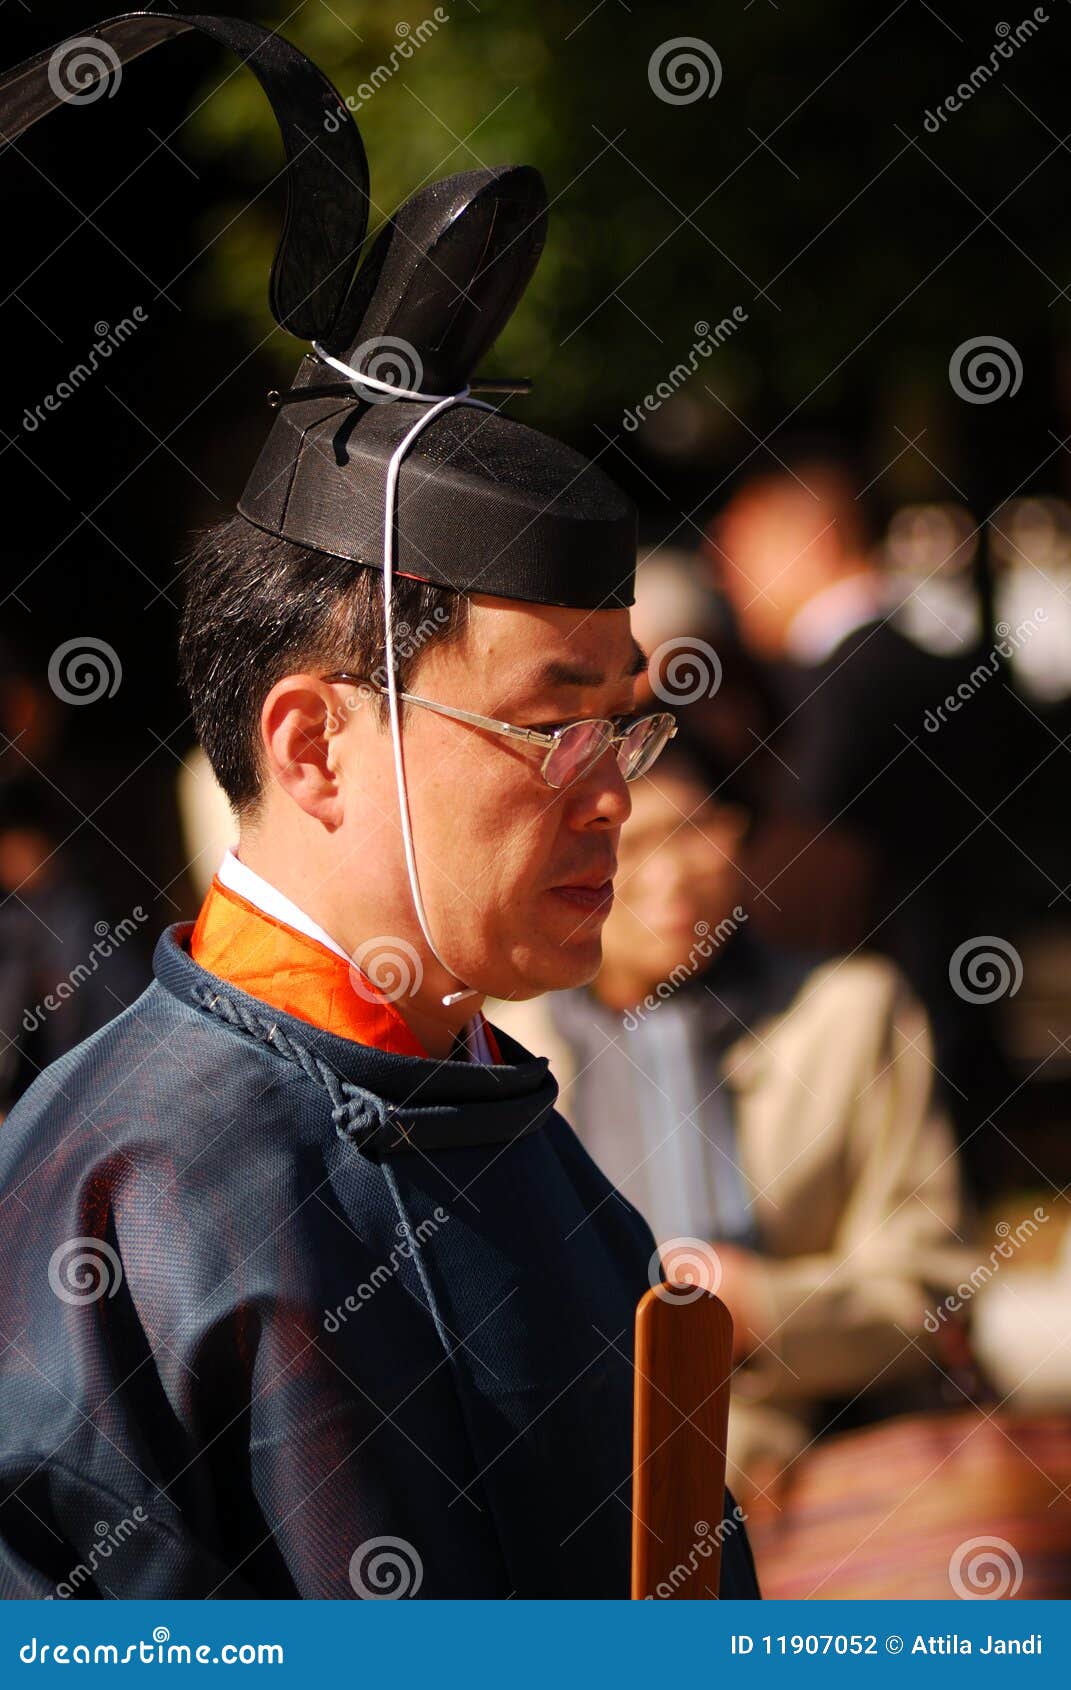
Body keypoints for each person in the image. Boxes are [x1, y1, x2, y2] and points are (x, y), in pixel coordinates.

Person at [0, 15, 758, 1600]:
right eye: (550, 722)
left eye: (624, 722)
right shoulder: (114, 1186)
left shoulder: (533, 1148)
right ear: (315, 746)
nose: (614, 794)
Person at [492, 729, 975, 1494]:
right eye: (632, 844)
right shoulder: (506, 1051)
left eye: (696, 833)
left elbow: (930, 1289)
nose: (671, 876)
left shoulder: (846, 1014)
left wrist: (760, 1308)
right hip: (586, 1482)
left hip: (817, 1478)